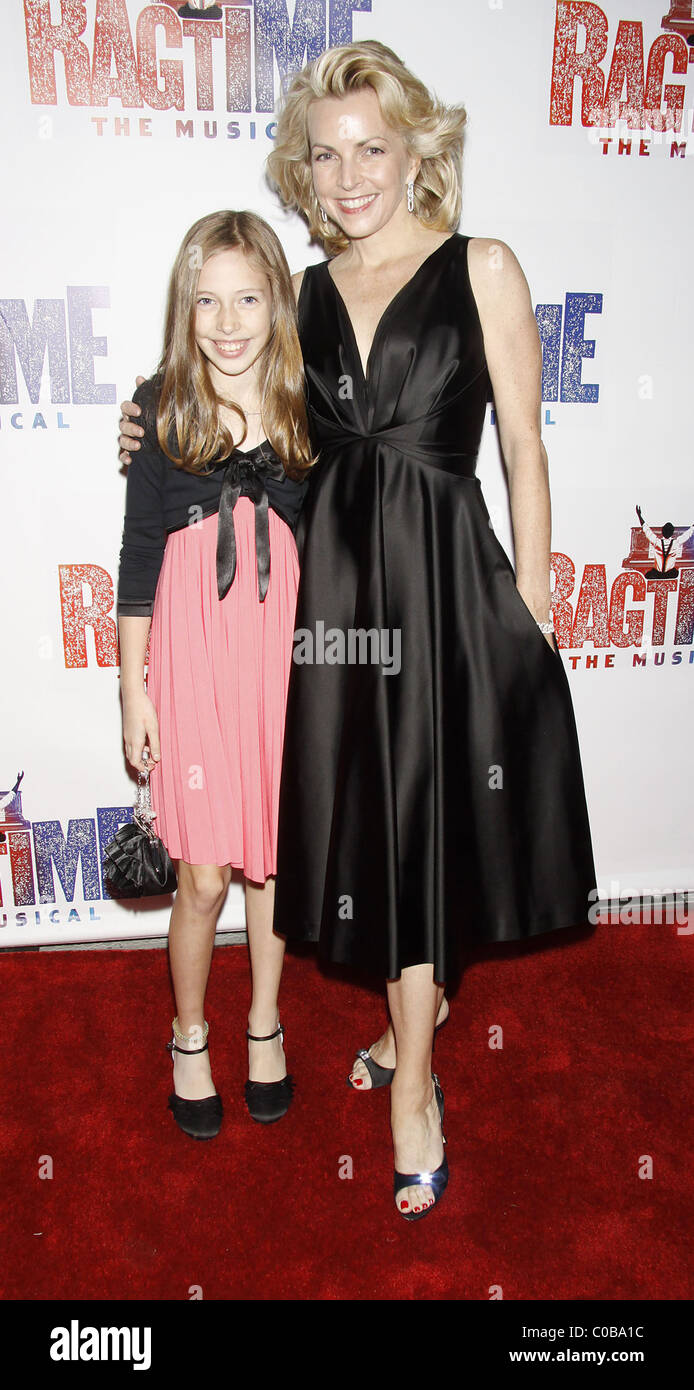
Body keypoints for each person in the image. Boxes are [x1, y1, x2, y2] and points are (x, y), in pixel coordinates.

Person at [119, 40, 597, 1219]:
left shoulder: (481, 265)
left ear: (416, 151)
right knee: (370, 836)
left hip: (445, 590)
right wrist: (144, 431)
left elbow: (524, 444)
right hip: (327, 608)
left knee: (432, 824)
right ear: (302, 167)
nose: (348, 176)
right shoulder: (304, 299)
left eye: (371, 148)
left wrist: (527, 604)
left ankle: (414, 1087)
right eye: (324, 155)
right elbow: (229, 408)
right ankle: (407, 1018)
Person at [117, 210, 312, 1139]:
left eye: (247, 297)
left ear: (278, 300)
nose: (229, 322)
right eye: (207, 301)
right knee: (201, 879)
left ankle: (264, 1024)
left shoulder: (314, 407)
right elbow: (136, 559)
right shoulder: (162, 410)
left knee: (270, 867)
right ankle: (188, 1034)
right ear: (183, 310)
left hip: (281, 662)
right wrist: (132, 689)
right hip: (192, 663)